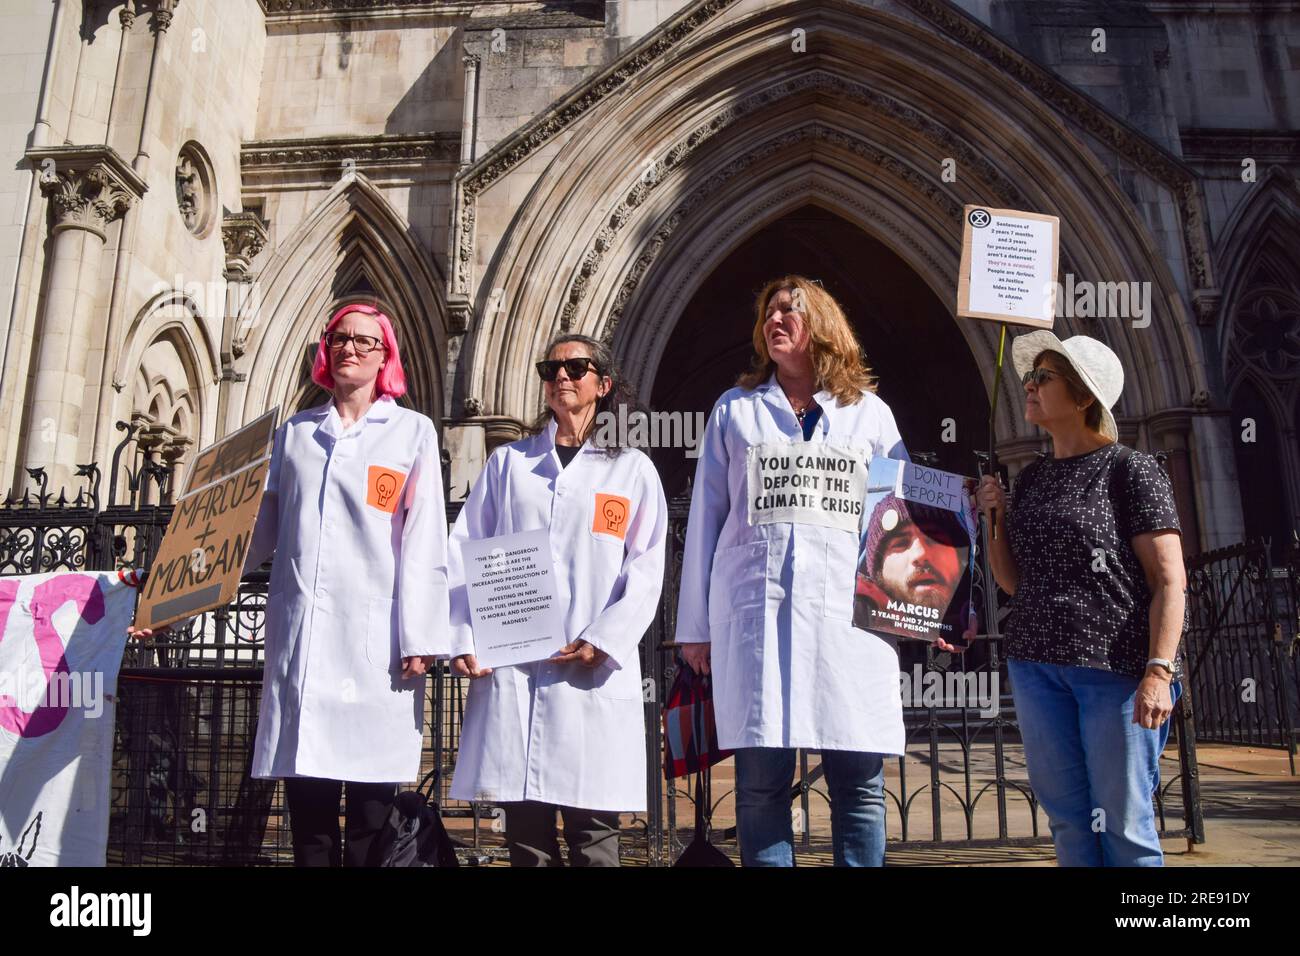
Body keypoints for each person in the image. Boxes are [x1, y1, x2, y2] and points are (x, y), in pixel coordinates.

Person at [129, 303, 450, 867]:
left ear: (385, 358)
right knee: (311, 822)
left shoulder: (411, 432)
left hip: (378, 651)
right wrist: (172, 603)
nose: (350, 348)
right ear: (326, 351)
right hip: (304, 645)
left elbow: (425, 540)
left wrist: (421, 635)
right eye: (340, 338)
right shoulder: (296, 434)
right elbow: (250, 535)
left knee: (373, 820)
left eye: (365, 342)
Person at [675, 275, 912, 867]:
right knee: (759, 790)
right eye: (768, 314)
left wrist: (921, 609)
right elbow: (706, 516)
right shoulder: (737, 409)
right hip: (758, 616)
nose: (775, 321)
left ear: (823, 326)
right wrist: (695, 626)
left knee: (859, 788)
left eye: (789, 311)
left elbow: (905, 521)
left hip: (850, 623)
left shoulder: (871, 416)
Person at [448, 333, 667, 866]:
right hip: (515, 670)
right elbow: (465, 551)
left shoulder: (630, 470)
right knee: (526, 843)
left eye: (575, 367)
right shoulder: (509, 465)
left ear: (604, 384)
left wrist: (604, 639)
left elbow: (648, 569)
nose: (561, 376)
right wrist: (462, 636)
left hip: (591, 672)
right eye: (551, 369)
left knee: (595, 842)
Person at [975, 331, 1186, 867]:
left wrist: (1158, 672)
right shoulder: (1036, 477)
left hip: (1112, 669)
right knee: (1069, 820)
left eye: (1043, 378)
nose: (1029, 386)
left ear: (1083, 395)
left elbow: (1168, 579)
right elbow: (1012, 583)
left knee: (1124, 822)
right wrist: (994, 518)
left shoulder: (1131, 470)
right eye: (1029, 376)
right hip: (1036, 665)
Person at [854, 494, 973, 641]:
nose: (920, 554)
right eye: (900, 543)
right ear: (878, 571)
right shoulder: (861, 617)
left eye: (934, 539)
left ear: (959, 554)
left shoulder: (976, 617)